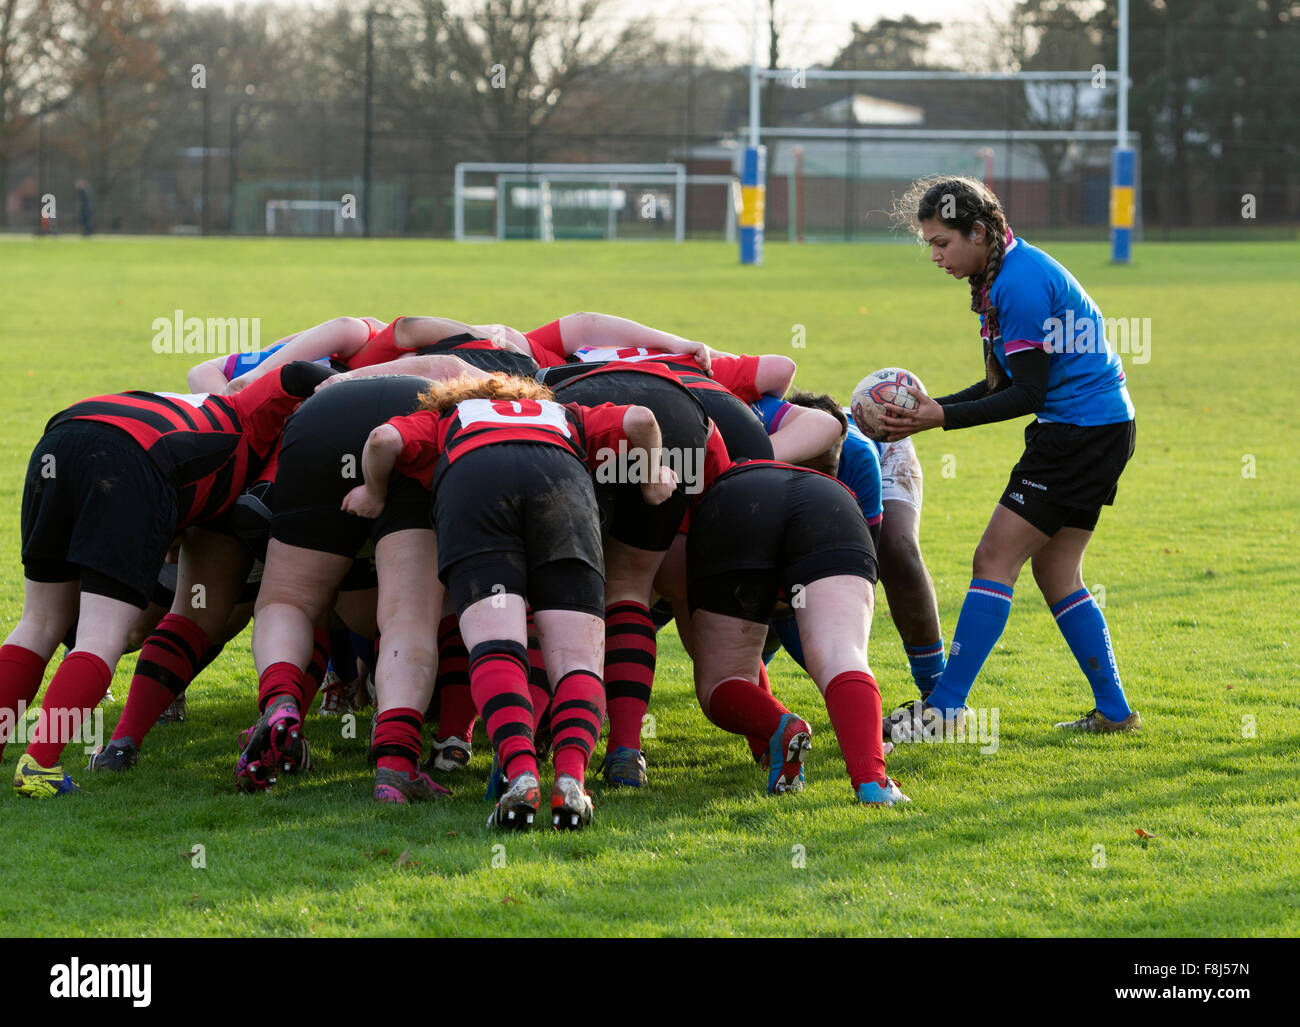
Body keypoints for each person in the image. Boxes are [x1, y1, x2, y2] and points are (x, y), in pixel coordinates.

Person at [346, 374, 675, 829]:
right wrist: (654, 475)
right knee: (577, 657)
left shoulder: (448, 417)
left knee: (497, 646)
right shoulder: (567, 414)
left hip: (476, 484)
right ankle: (571, 779)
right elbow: (643, 418)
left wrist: (373, 491)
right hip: (561, 481)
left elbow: (382, 439)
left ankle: (520, 771)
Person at [879, 175, 1139, 737]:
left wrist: (938, 416)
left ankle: (944, 708)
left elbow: (1028, 395)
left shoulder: (1018, 285)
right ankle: (1115, 713)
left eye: (941, 242)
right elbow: (1004, 380)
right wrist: (931, 409)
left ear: (978, 231)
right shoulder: (1000, 272)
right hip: (1098, 429)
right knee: (1056, 570)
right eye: (928, 243)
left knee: (993, 559)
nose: (934, 255)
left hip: (1077, 435)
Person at [2, 361, 332, 797]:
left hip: (64, 435)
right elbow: (294, 374)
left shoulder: (208, 410)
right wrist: (342, 383)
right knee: (102, 633)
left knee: (38, 622)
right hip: (131, 459)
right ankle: (38, 766)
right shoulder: (251, 416)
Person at [236, 359, 478, 797]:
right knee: (409, 619)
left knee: (287, 601)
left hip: (321, 417)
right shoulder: (473, 377)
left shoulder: (368, 358)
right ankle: (396, 763)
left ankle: (280, 704)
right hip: (415, 420)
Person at [685, 458, 909, 806]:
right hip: (831, 501)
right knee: (842, 654)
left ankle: (780, 725)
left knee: (723, 679)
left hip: (734, 501)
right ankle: (872, 781)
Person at [550, 360, 730, 788]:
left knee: (553, 588)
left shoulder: (549, 368)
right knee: (628, 588)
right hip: (681, 422)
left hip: (576, 420)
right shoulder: (710, 399)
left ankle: (520, 746)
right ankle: (625, 750)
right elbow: (718, 498)